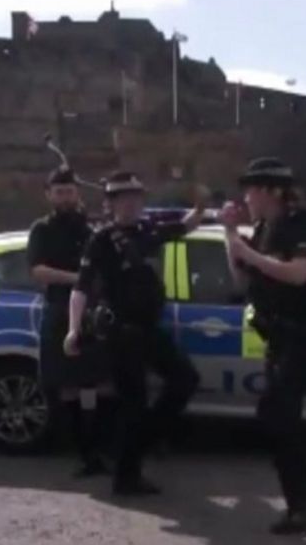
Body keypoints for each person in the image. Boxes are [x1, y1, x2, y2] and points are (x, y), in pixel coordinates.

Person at [220, 158, 306, 534]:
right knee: (275, 414)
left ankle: (305, 500)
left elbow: (300, 273)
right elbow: (240, 277)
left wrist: (253, 254)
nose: (246, 198)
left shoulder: (302, 223)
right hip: (281, 334)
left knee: (277, 410)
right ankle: (303, 498)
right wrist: (230, 234)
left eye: (251, 190)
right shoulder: (263, 227)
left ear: (270, 191)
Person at [65, 171, 204, 496]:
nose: (131, 204)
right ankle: (127, 477)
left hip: (149, 328)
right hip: (121, 333)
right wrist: (72, 330)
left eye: (135, 198)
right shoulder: (101, 240)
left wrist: (201, 203)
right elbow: (81, 288)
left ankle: (140, 444)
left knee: (185, 380)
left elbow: (186, 226)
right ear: (111, 204)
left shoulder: (149, 230)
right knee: (134, 405)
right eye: (123, 199)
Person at [28, 167, 113, 478]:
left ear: (78, 193)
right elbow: (38, 271)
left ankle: (102, 450)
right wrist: (79, 278)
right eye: (59, 191)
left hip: (95, 310)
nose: (65, 197)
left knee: (102, 383)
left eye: (69, 191)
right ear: (48, 195)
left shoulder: (91, 228)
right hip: (60, 308)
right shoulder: (42, 229)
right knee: (67, 388)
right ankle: (83, 455)